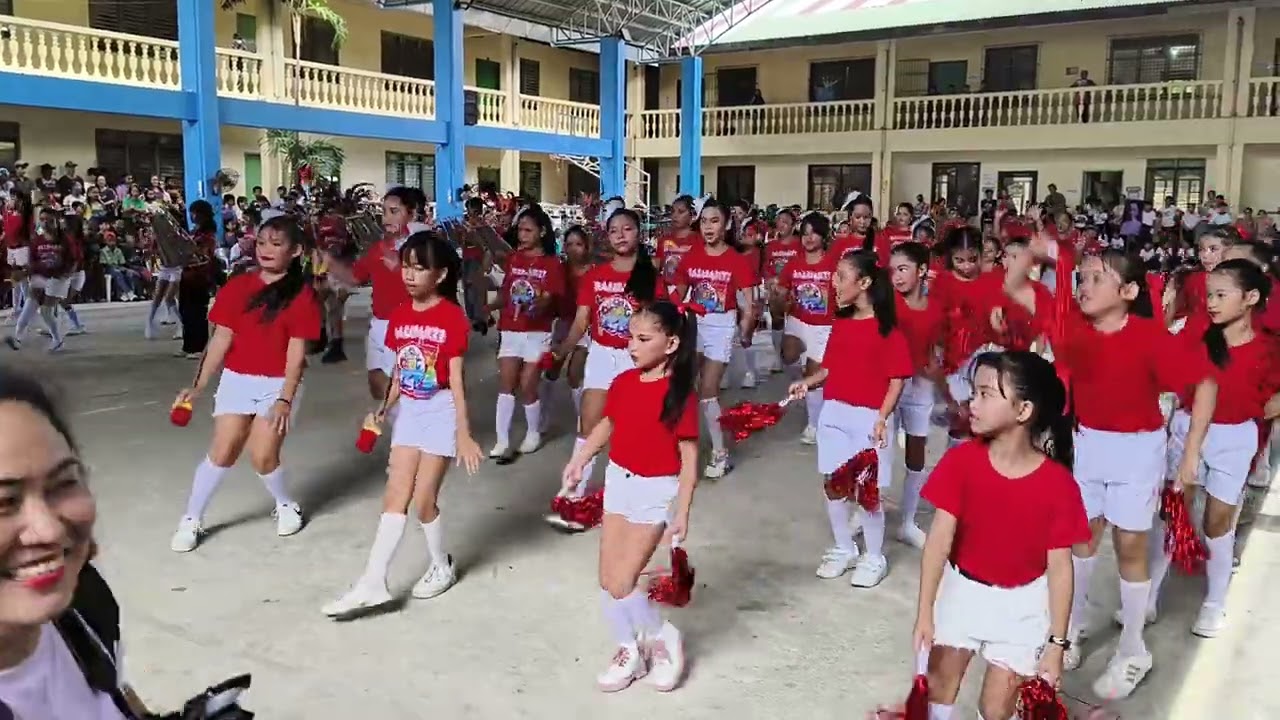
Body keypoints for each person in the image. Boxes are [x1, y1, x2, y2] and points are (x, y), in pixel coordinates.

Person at [913, 351, 1089, 720]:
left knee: (996, 709)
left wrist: (1057, 644)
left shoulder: (1058, 485)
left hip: (1023, 608)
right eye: (973, 393)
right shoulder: (961, 462)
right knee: (937, 690)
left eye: (986, 394)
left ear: (1023, 410)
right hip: (961, 593)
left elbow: (1060, 569)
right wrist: (925, 612)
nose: (973, 404)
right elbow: (938, 544)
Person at [323, 231, 482, 617]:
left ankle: (441, 565)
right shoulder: (400, 315)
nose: (409, 275)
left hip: (441, 410)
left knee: (424, 499)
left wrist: (463, 432)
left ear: (440, 275)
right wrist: (383, 408)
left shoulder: (451, 317)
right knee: (395, 495)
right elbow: (400, 371)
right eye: (406, 267)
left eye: (419, 268)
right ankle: (373, 582)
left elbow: (456, 380)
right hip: (409, 411)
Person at [561, 299, 700, 693]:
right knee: (607, 581)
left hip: (656, 491)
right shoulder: (623, 382)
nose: (632, 346)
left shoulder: (680, 396)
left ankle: (662, 636)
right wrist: (580, 459)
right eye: (630, 337)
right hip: (618, 483)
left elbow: (689, 460)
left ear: (671, 344)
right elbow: (608, 423)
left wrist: (682, 511)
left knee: (624, 581)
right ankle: (628, 649)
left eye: (643, 339)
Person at [169, 215, 321, 553]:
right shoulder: (238, 286)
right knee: (222, 451)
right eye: (262, 242)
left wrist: (284, 399)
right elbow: (220, 339)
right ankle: (191, 519)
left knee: (263, 456)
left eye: (276, 244)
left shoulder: (302, 295)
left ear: (296, 251)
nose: (266, 249)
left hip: (278, 385)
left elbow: (296, 354)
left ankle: (285, 504)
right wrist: (197, 386)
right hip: (237, 380)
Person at [1147, 259, 1280, 637]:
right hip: (1188, 430)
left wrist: (1254, 411)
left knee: (1217, 522)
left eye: (1221, 295)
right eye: (1209, 295)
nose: (1212, 303)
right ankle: (1148, 594)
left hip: (1234, 438)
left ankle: (1214, 603)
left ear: (1250, 298)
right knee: (1173, 512)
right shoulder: (1199, 337)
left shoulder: (1269, 348)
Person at [789, 250, 911, 589]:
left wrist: (882, 418)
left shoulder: (888, 331)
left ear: (865, 282)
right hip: (834, 413)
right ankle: (844, 547)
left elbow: (897, 380)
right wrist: (807, 383)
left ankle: (874, 556)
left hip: (869, 418)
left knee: (867, 492)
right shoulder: (841, 323)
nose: (834, 282)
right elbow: (829, 369)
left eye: (841, 276)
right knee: (833, 486)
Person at [549, 208, 659, 531]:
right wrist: (562, 351)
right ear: (606, 237)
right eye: (614, 230)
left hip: (636, 359)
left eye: (627, 229)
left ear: (639, 233)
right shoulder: (595, 277)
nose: (621, 235)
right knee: (589, 424)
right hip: (601, 355)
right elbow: (581, 321)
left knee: (635, 430)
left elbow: (660, 325)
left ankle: (636, 498)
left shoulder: (651, 277)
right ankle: (573, 497)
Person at [671, 198, 757, 478]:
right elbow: (679, 290)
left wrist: (745, 331)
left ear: (727, 225)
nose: (708, 227)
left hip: (721, 327)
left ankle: (720, 453)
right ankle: (679, 448)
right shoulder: (692, 255)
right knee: (683, 387)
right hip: (693, 325)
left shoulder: (736, 260)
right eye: (704, 221)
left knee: (708, 391)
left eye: (715, 221)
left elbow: (749, 304)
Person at [489, 205, 564, 463]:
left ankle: (533, 433)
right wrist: (488, 308)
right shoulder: (514, 259)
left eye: (528, 230)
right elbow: (505, 293)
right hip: (510, 330)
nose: (522, 235)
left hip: (537, 333)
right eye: (520, 230)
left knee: (528, 384)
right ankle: (502, 440)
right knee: (506, 384)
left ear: (542, 232)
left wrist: (539, 303)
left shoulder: (553, 264)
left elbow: (551, 299)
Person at [889, 241, 944, 548]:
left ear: (922, 270)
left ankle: (908, 522)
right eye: (893, 270)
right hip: (887, 385)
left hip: (919, 386)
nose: (896, 276)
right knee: (877, 453)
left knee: (916, 455)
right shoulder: (886, 304)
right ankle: (864, 513)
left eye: (903, 269)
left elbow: (933, 350)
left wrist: (935, 372)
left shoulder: (934, 309)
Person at [777, 213, 835, 445]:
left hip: (824, 326)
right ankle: (803, 383)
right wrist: (778, 296)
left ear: (824, 236)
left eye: (814, 233)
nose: (809, 238)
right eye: (805, 233)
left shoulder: (834, 263)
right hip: (797, 321)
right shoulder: (794, 263)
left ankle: (814, 423)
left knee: (813, 374)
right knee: (788, 355)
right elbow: (782, 290)